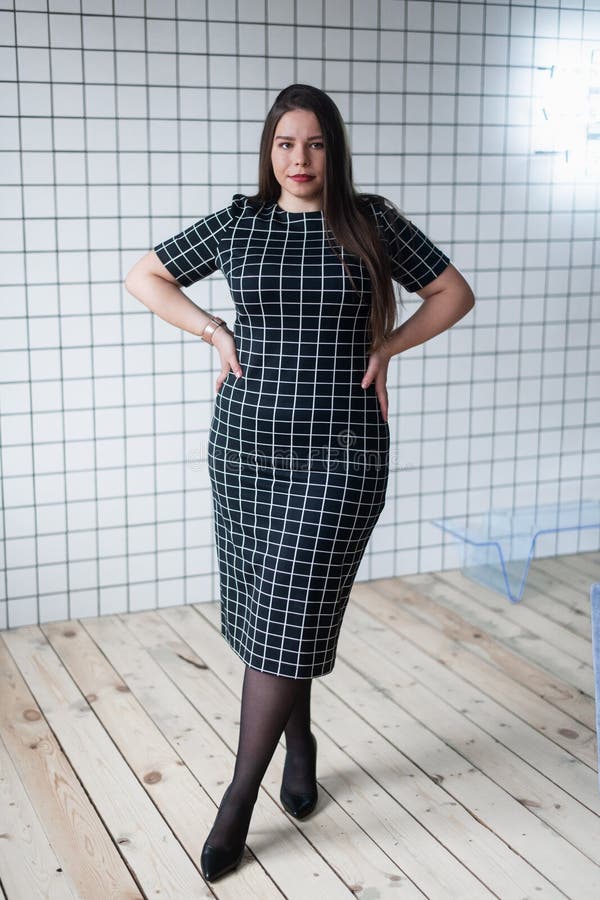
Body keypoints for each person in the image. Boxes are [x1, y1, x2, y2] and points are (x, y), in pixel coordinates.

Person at [125, 83, 474, 883]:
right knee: (272, 609)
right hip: (247, 446)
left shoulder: (370, 220)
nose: (301, 159)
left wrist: (387, 347)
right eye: (287, 144)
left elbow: (453, 292)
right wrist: (213, 330)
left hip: (343, 449)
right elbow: (145, 275)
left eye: (315, 144)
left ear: (334, 150)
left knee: (292, 598)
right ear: (269, 150)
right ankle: (301, 738)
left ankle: (236, 802)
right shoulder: (242, 224)